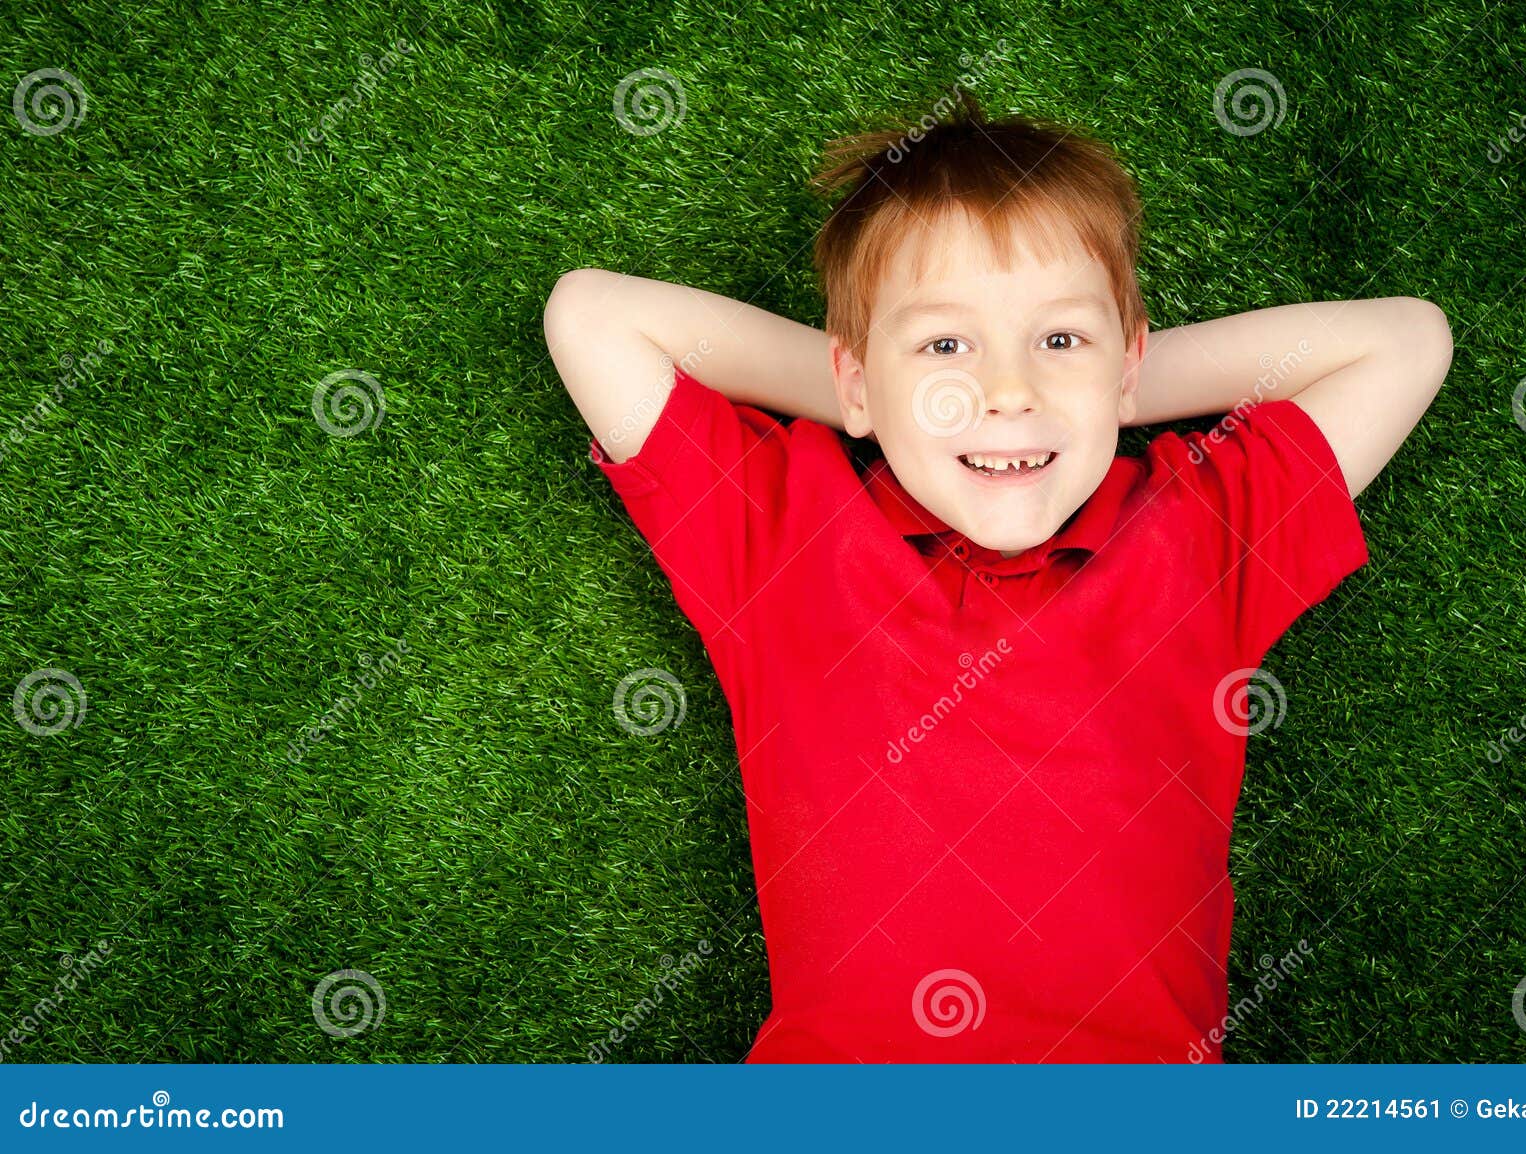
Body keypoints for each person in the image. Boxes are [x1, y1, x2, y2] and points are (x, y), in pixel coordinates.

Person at [542, 93, 1453, 1062]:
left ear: (1125, 363)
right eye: (944, 345)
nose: (1008, 391)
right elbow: (591, 315)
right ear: (855, 379)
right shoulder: (781, 538)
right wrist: (891, 404)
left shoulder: (1198, 535)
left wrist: (1091, 393)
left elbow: (1404, 340)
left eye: (1060, 341)